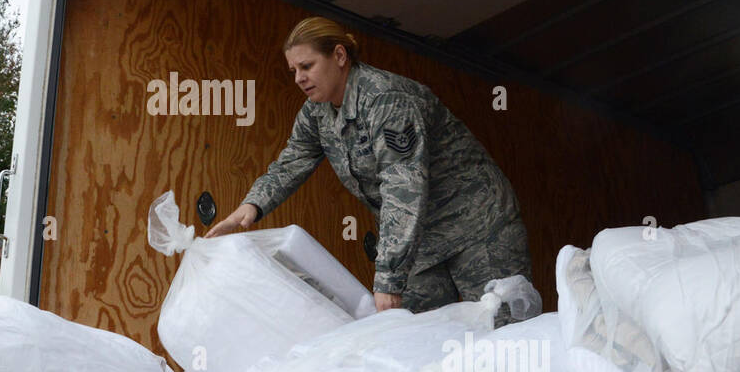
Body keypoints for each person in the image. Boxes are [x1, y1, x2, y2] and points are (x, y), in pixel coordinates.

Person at [207, 18, 531, 323]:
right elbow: (294, 159)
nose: (298, 78)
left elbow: (403, 188)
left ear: (339, 55)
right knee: (417, 342)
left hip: (477, 227)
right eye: (293, 70)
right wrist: (251, 205)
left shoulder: (387, 100)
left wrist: (387, 280)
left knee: (502, 334)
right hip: (419, 244)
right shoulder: (316, 113)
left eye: (307, 66)